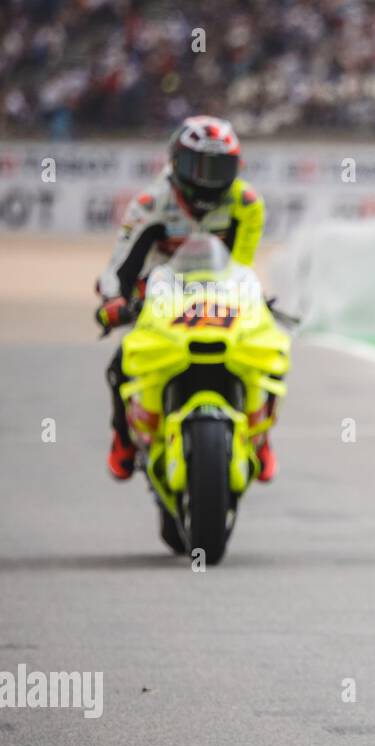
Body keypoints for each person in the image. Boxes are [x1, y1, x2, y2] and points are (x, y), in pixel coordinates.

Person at [95, 115, 273, 480]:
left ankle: (261, 437)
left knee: (265, 355)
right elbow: (120, 264)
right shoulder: (149, 204)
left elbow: (241, 265)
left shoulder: (248, 204)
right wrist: (114, 301)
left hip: (219, 294)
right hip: (163, 294)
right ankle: (123, 438)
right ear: (175, 162)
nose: (208, 178)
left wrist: (253, 300)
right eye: (199, 166)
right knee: (119, 366)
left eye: (219, 168)